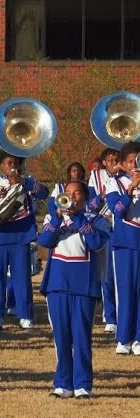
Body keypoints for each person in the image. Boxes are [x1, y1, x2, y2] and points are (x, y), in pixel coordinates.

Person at [38, 179, 109, 399]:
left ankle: (82, 385)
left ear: (85, 198)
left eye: (77, 193)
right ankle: (63, 384)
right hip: (57, 284)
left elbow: (97, 243)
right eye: (68, 192)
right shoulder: (53, 218)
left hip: (84, 286)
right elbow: (45, 240)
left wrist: (78, 217)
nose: (71, 196)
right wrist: (58, 217)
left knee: (81, 337)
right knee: (61, 337)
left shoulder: (98, 219)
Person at [0, 150, 48, 331]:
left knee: (22, 277)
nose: (13, 166)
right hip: (0, 234)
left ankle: (25, 315)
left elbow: (43, 193)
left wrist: (24, 182)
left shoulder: (27, 180)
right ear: (1, 164)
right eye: (9, 163)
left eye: (16, 163)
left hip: (22, 233)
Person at [105, 141, 140, 355]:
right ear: (123, 164)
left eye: (138, 160)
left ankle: (138, 339)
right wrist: (131, 189)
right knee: (125, 292)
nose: (135, 165)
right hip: (125, 244)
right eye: (131, 161)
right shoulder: (114, 183)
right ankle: (124, 338)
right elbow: (117, 210)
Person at [88, 148, 120, 332]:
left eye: (117, 159)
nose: (114, 162)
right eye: (110, 160)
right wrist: (102, 197)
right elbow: (89, 205)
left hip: (122, 228)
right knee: (106, 275)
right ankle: (110, 317)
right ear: (104, 162)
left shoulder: (128, 176)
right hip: (104, 227)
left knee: (121, 275)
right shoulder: (96, 176)